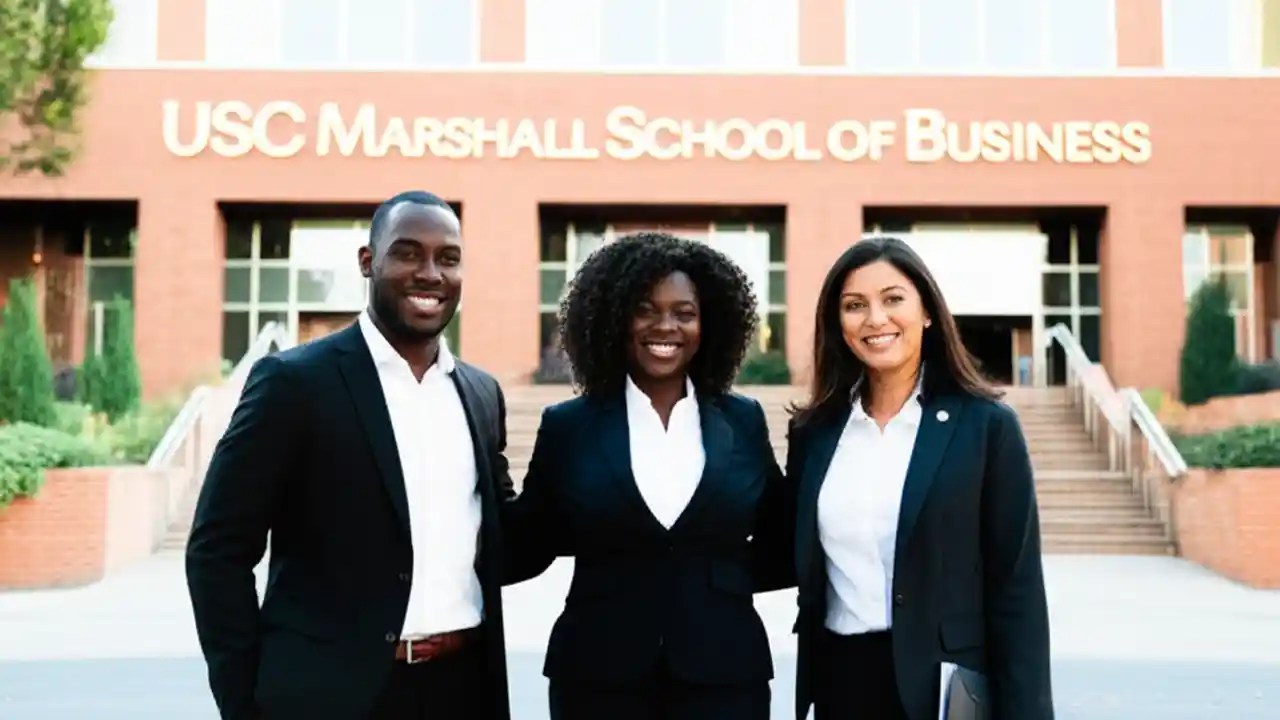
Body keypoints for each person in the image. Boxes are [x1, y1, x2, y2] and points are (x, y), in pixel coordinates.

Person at [185, 191, 517, 719]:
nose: (430, 273)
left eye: (448, 258)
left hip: (462, 688)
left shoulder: (480, 394)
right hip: (329, 697)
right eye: (407, 253)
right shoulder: (294, 383)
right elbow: (216, 550)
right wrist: (243, 701)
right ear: (368, 261)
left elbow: (506, 542)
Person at [503, 231, 793, 720]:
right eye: (645, 310)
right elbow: (528, 540)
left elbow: (781, 539)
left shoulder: (743, 420)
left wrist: (716, 579)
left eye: (684, 312)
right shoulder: (568, 427)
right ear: (616, 317)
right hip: (598, 680)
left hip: (724, 677)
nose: (666, 326)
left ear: (708, 323)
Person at [783, 236, 1054, 720]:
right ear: (837, 323)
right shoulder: (814, 433)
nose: (875, 319)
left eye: (893, 299)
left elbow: (1017, 591)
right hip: (841, 683)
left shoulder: (986, 427)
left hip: (943, 687)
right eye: (854, 305)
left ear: (927, 311)